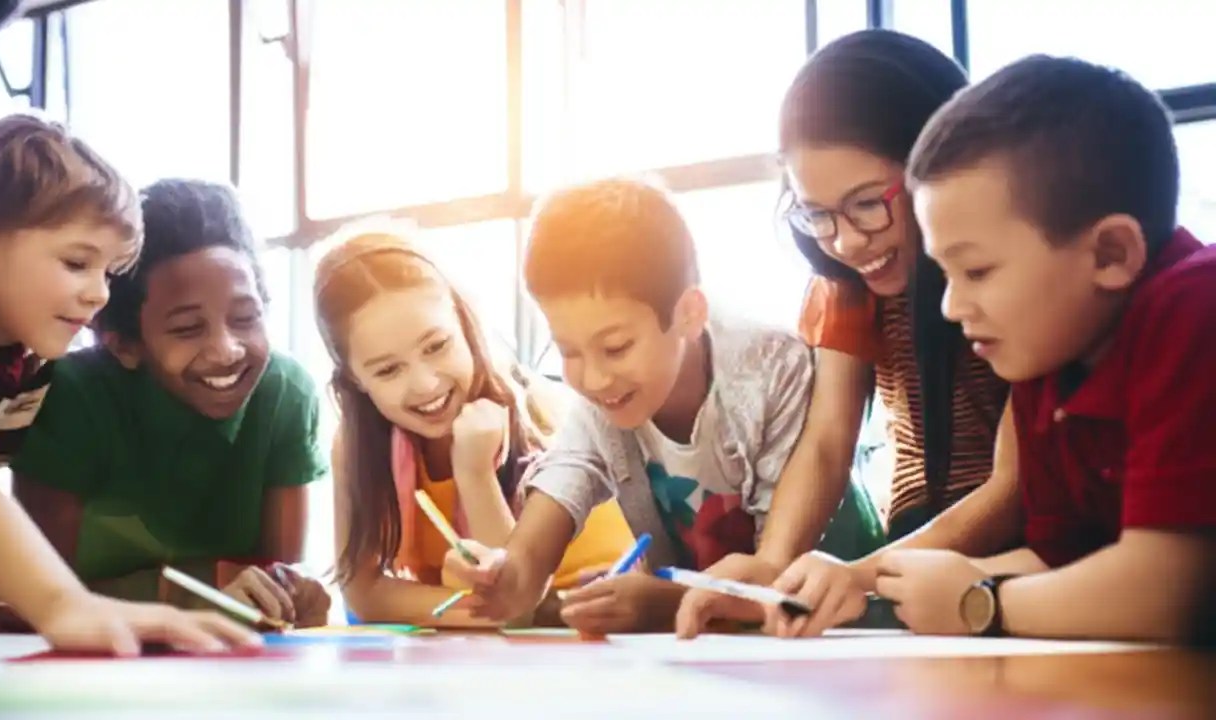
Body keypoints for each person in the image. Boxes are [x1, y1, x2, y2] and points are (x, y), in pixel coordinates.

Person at [860, 55, 1215, 641]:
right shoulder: (1048, 357)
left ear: (1111, 255)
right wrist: (872, 584)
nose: (950, 307)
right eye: (945, 275)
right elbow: (1064, 562)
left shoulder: (1194, 307)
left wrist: (981, 603)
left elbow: (1164, 590)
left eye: (976, 270)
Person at [678, 30, 1018, 639]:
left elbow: (1019, 482)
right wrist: (775, 564)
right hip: (918, 530)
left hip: (1024, 525)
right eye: (817, 214)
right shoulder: (844, 284)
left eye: (867, 204)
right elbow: (828, 441)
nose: (847, 240)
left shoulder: (1016, 268)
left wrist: (859, 575)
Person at [446, 177, 879, 634]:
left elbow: (771, 578)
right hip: (720, 642)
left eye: (615, 347)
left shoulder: (770, 368)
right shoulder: (601, 402)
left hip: (850, 622)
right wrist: (505, 575)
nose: (592, 378)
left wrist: (662, 604)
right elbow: (554, 501)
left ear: (689, 314)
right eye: (568, 351)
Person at [0, 114, 257, 653]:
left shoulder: (25, 362)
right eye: (77, 262)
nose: (99, 294)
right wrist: (60, 602)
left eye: (108, 272)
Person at [11, 179, 330, 628]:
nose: (227, 350)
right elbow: (29, 602)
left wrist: (294, 592)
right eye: (186, 329)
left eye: (245, 318)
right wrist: (196, 591)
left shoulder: (284, 393)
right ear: (122, 344)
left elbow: (273, 582)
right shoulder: (70, 396)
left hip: (230, 664)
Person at [315, 229, 634, 626]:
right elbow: (363, 591)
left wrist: (475, 473)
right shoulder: (359, 445)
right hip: (508, 640)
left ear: (465, 325)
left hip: (599, 622)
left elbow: (515, 600)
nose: (426, 384)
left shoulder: (537, 410)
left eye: (436, 346)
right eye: (388, 369)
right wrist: (474, 611)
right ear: (355, 379)